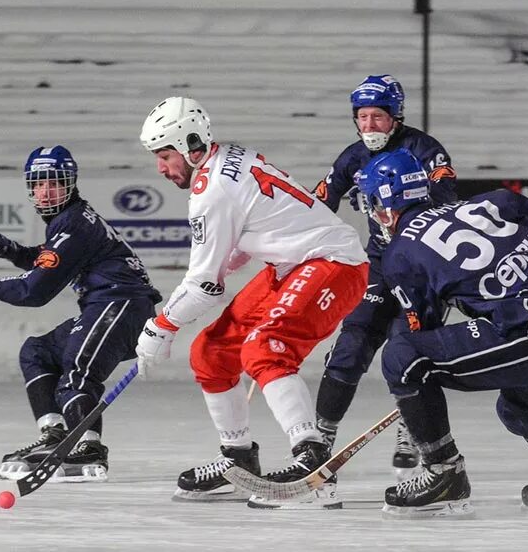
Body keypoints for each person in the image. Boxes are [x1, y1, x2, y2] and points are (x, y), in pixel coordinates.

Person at [136, 97, 368, 509]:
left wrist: (161, 326)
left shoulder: (211, 191)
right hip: (292, 264)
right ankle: (238, 460)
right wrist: (230, 256)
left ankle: (312, 465)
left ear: (191, 146)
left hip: (332, 262)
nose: (160, 167)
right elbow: (261, 219)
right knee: (211, 352)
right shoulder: (228, 154)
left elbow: (205, 286)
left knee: (265, 348)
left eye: (165, 155)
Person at [355, 149, 528, 517]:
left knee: (401, 357)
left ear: (388, 202)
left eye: (374, 204)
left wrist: (413, 395)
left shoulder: (400, 252)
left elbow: (421, 332)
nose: (374, 213)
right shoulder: (488, 202)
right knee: (521, 411)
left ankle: (444, 474)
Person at [0, 145, 161, 482]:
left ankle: (88, 449)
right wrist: (12, 251)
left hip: (120, 307)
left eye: (53, 183)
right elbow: (50, 260)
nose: (45, 192)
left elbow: (36, 289)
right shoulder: (68, 222)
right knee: (37, 352)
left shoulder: (73, 226)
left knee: (77, 371)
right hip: (108, 308)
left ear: (70, 183)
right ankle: (56, 435)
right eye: (38, 184)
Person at [311, 74, 457, 483]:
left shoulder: (426, 149)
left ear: (396, 117)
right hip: (378, 267)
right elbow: (319, 202)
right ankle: (318, 443)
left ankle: (417, 435)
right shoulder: (352, 155)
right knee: (350, 346)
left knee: (408, 355)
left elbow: (448, 202)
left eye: (378, 116)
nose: (370, 125)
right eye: (363, 117)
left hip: (420, 270)